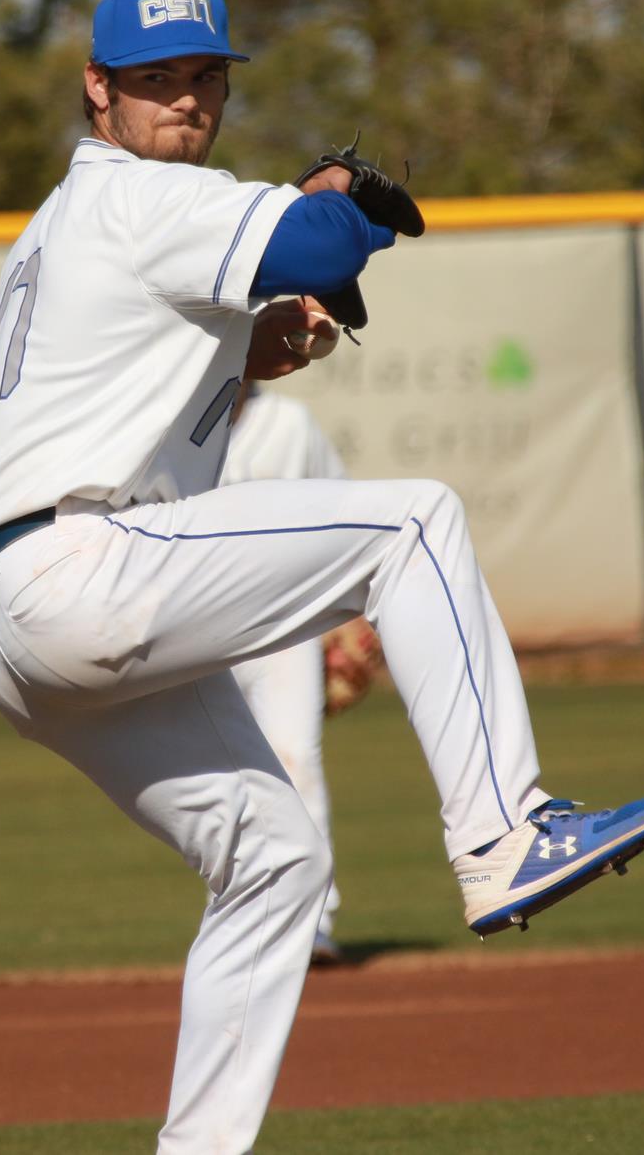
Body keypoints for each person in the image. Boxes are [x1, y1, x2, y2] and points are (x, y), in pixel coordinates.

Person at [0, 0, 644, 1155]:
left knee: (277, 863)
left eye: (202, 79)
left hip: (14, 615)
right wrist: (336, 194)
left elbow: (122, 376)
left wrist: (243, 350)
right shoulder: (141, 197)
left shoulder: (63, 223)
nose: (182, 100)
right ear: (98, 89)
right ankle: (503, 834)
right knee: (412, 522)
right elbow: (315, 233)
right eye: (153, 80)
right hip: (83, 568)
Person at [218, 383, 367, 967]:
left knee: (294, 758)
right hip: (195, 630)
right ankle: (244, 923)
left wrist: (347, 619)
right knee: (217, 778)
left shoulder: (287, 423)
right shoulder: (167, 419)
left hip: (287, 622)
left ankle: (314, 922)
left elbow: (346, 513)